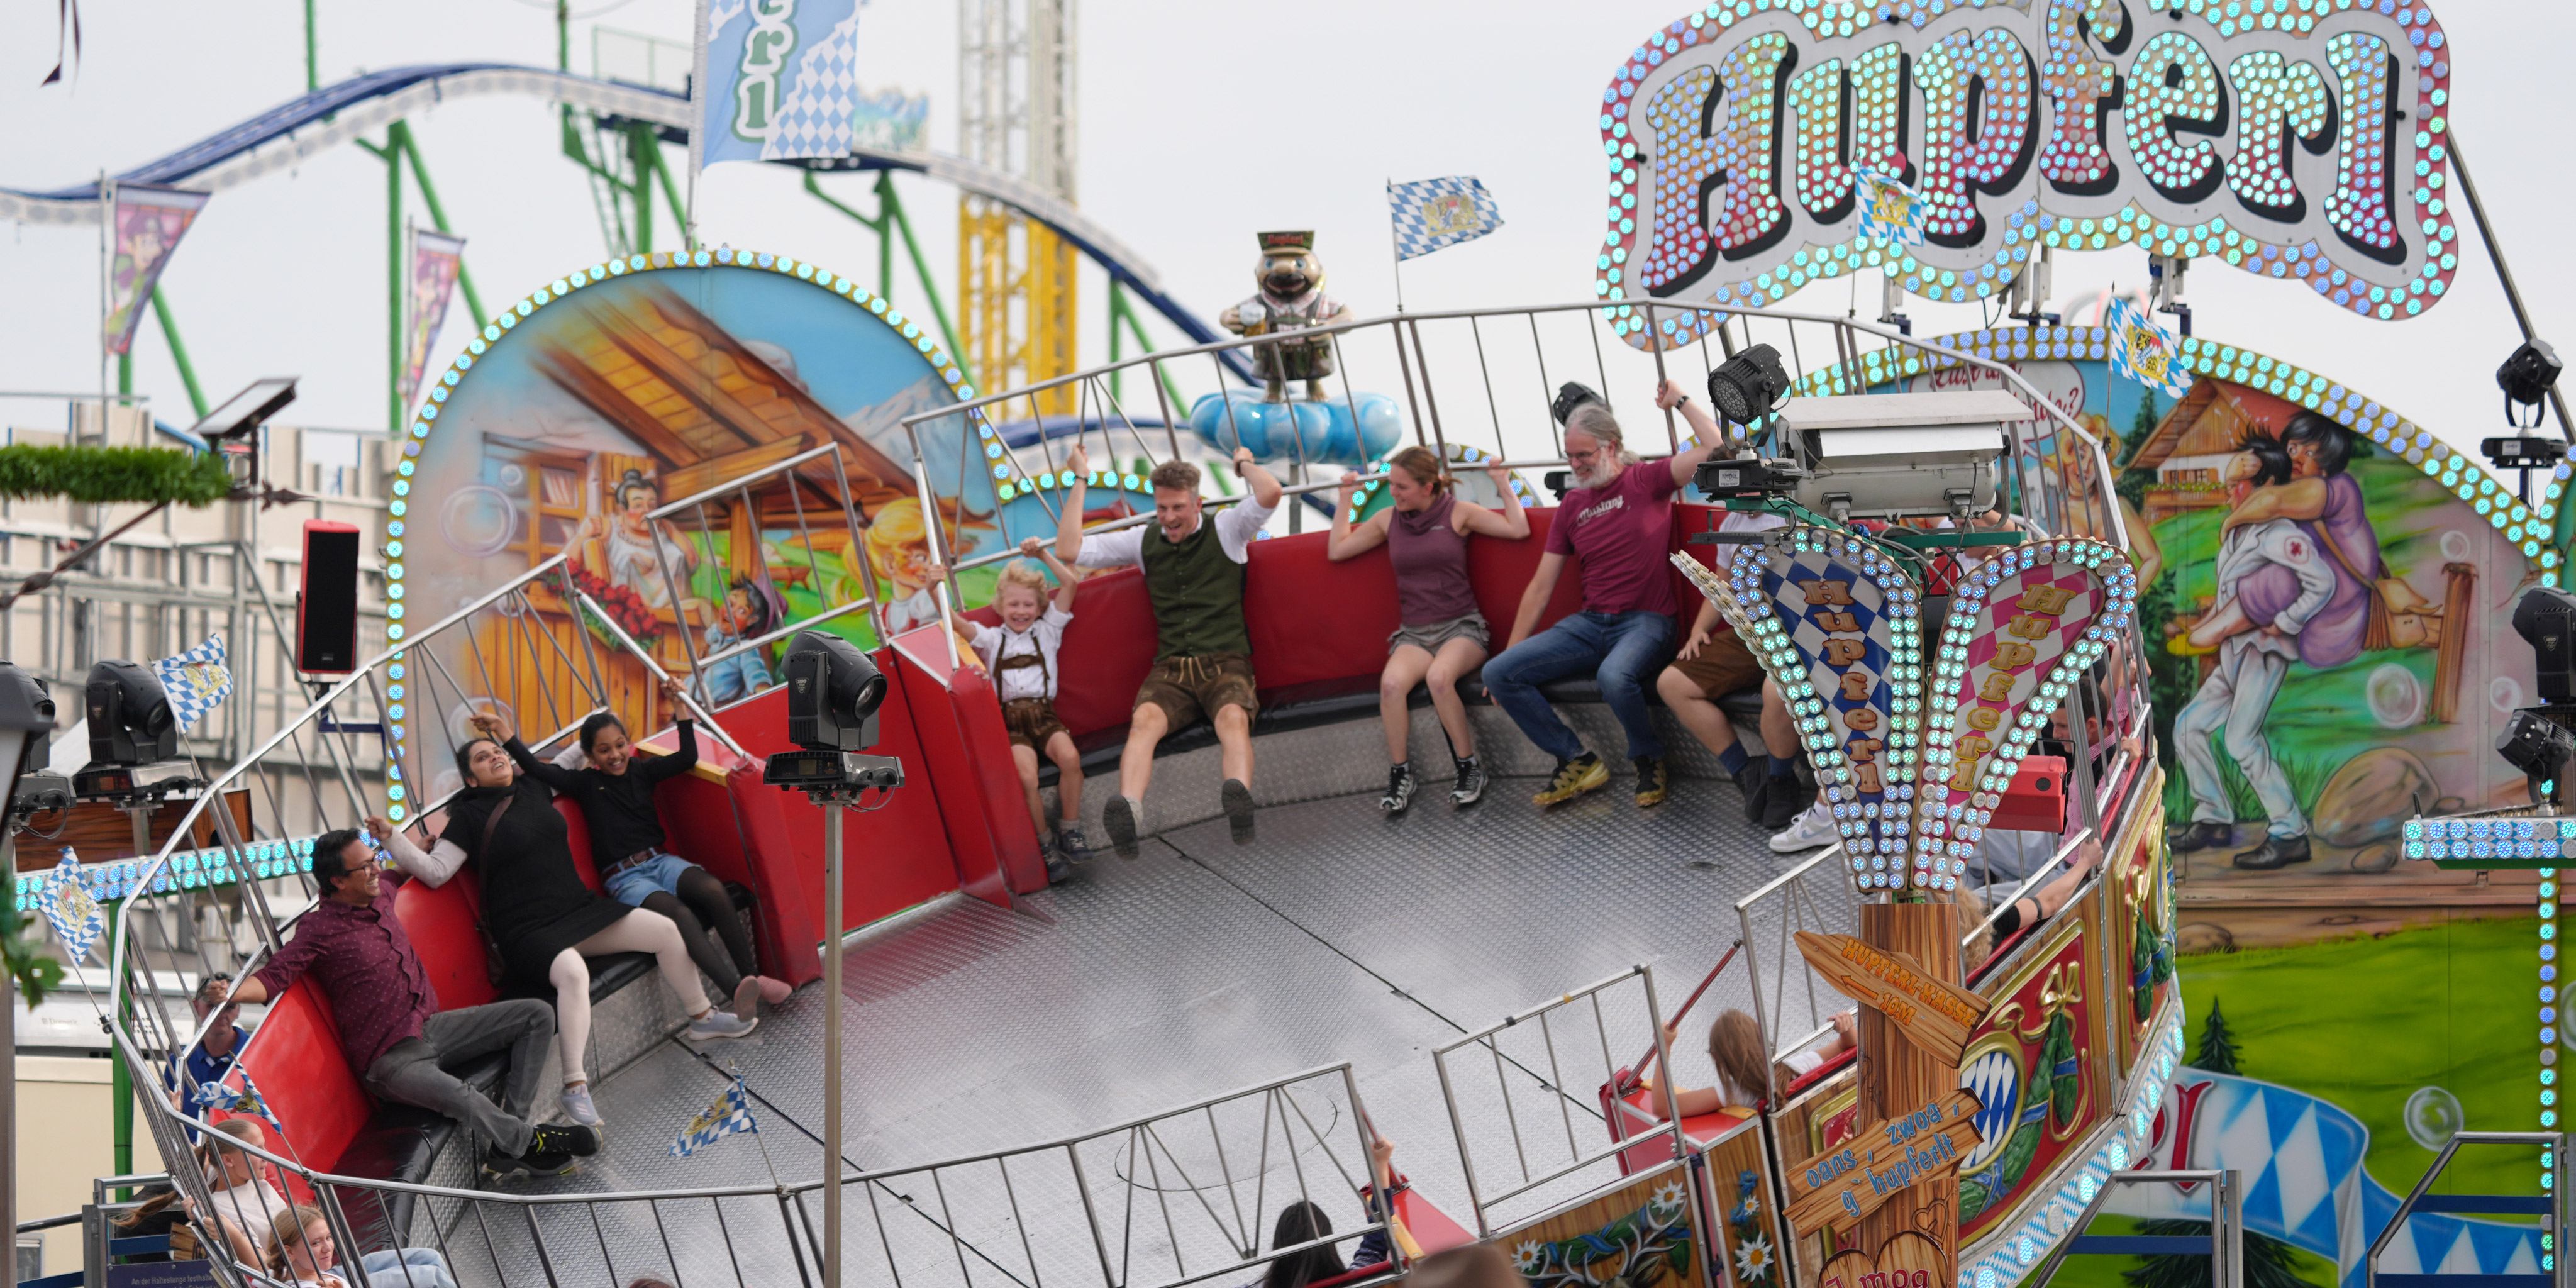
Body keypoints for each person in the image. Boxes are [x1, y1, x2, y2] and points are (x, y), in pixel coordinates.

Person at [372, 727, 758, 1132]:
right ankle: (574, 1085)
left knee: (664, 930)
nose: (495, 758)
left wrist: (598, 721)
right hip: (526, 930)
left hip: (577, 910)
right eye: (482, 759)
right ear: (470, 780)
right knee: (574, 972)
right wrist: (394, 839)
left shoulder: (536, 785)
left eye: (496, 752)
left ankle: (701, 1017)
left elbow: (577, 753)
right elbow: (435, 872)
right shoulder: (468, 817)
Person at [206, 833, 598, 1184]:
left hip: (431, 1028)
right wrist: (230, 993)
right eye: (364, 867)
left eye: (373, 858)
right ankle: (529, 1142)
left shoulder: (382, 893)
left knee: (536, 1014)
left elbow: (396, 872)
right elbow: (273, 978)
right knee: (461, 1097)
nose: (375, 869)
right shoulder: (318, 929)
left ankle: (509, 1146)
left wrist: (413, 847)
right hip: (390, 1061)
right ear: (338, 882)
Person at [1485, 380, 1729, 809]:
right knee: (1498, 673)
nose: (1576, 465)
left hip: (1647, 621)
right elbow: (1541, 586)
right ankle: (1576, 759)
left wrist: (1682, 402)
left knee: (1613, 677)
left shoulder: (1645, 481)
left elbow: (1715, 449)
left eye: (1584, 454)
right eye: (1570, 456)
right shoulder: (1572, 507)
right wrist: (1513, 648)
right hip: (1591, 622)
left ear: (1611, 448)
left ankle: (1649, 757)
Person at [494, 685, 792, 1021]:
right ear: (591, 757)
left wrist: (679, 706)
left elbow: (687, 757)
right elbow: (537, 769)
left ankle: (752, 977)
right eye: (604, 751)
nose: (616, 755)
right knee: (679, 914)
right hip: (625, 877)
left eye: (620, 745)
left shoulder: (641, 770)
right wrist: (505, 735)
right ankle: (734, 991)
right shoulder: (585, 784)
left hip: (662, 861)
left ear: (628, 743)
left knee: (713, 890)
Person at [1057, 441, 1284, 855]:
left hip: (1225, 661)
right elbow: (1068, 550)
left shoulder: (1228, 528)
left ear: (1197, 502)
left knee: (1233, 718)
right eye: (1162, 508)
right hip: (1172, 669)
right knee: (1143, 722)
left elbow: (1270, 493)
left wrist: (1245, 463)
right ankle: (1129, 810)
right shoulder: (1142, 540)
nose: (1168, 517)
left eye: (1178, 507)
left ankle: (1239, 802)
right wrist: (1080, 479)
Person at [2175, 413, 2379, 870]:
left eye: (2240, 483)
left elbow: (2321, 581)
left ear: (2267, 483)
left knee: (2242, 739)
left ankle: (2289, 833)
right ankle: (2213, 816)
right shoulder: (2242, 530)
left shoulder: (2278, 533)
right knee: (2188, 727)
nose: (2230, 493)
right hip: (2235, 654)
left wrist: (2285, 623)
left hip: (2263, 652)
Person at [1326, 446, 1531, 813]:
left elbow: (1518, 529)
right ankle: (1401, 773)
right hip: (1415, 633)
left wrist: (1502, 482)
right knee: (1390, 685)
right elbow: (1338, 551)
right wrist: (1345, 498)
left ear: (1428, 486)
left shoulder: (1459, 513)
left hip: (1462, 629)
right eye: (1391, 485)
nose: (1394, 493)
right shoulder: (1389, 520)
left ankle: (1469, 768)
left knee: (1440, 678)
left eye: (1402, 487)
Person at [952, 537, 1092, 874]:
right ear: (1000, 606)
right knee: (1027, 778)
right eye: (1014, 605)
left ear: (1040, 608)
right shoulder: (992, 639)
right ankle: (1044, 844)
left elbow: (1071, 582)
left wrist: (1041, 553)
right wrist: (933, 590)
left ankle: (1070, 831)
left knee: (1071, 759)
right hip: (1012, 724)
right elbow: (959, 624)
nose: (1021, 612)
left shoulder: (1048, 631)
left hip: (1044, 715)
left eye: (1028, 606)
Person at [1243, 1137, 1400, 1288]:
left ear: (1279, 1249)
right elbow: (1376, 1244)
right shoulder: (1357, 1282)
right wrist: (1381, 1164)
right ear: (1328, 1246)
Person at [1638, 1008, 1853, 1118]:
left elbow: (1663, 1107)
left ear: (1722, 1061)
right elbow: (1849, 1048)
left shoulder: (1737, 1093)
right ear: (1762, 1038)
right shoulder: (1798, 1066)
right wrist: (1847, 1027)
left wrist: (1664, 1047)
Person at [262, 1204, 458, 1288]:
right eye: (316, 1243)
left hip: (340, 1273)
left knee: (428, 1257)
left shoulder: (282, 1269)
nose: (328, 1248)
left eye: (328, 1238)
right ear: (290, 1252)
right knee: (430, 1277)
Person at [165, 974, 252, 1141]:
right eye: (212, 1006)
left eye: (228, 1006)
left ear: (238, 1010)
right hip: (193, 1164)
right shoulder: (177, 1065)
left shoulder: (257, 1057)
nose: (220, 1013)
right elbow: (171, 1129)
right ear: (196, 1006)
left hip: (247, 1165)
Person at [696, 577, 778, 707]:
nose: (731, 612)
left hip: (717, 711)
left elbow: (755, 671)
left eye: (742, 611)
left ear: (752, 620)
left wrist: (761, 687)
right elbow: (710, 634)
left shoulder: (745, 648)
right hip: (695, 704)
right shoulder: (716, 634)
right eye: (730, 603)